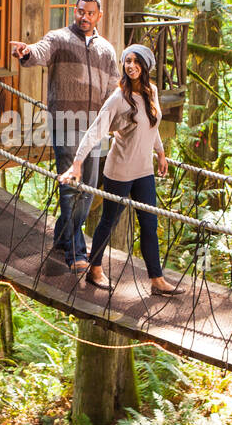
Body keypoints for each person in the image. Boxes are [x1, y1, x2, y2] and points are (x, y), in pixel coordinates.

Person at [58, 44, 182, 297]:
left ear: (146, 67)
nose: (131, 66)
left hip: (144, 171)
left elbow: (153, 126)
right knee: (109, 221)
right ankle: (95, 268)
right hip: (120, 171)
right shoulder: (119, 98)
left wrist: (160, 152)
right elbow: (95, 130)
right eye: (128, 61)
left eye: (136, 61)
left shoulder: (152, 92)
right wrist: (77, 163)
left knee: (149, 224)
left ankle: (156, 279)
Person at [10, 0, 119, 272]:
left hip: (96, 128)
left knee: (90, 190)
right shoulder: (58, 38)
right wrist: (26, 52)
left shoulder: (106, 50)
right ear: (75, 11)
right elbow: (39, 51)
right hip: (66, 123)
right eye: (81, 11)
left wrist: (116, 124)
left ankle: (61, 236)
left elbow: (114, 90)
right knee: (71, 188)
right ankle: (75, 251)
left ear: (99, 16)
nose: (85, 17)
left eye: (91, 13)